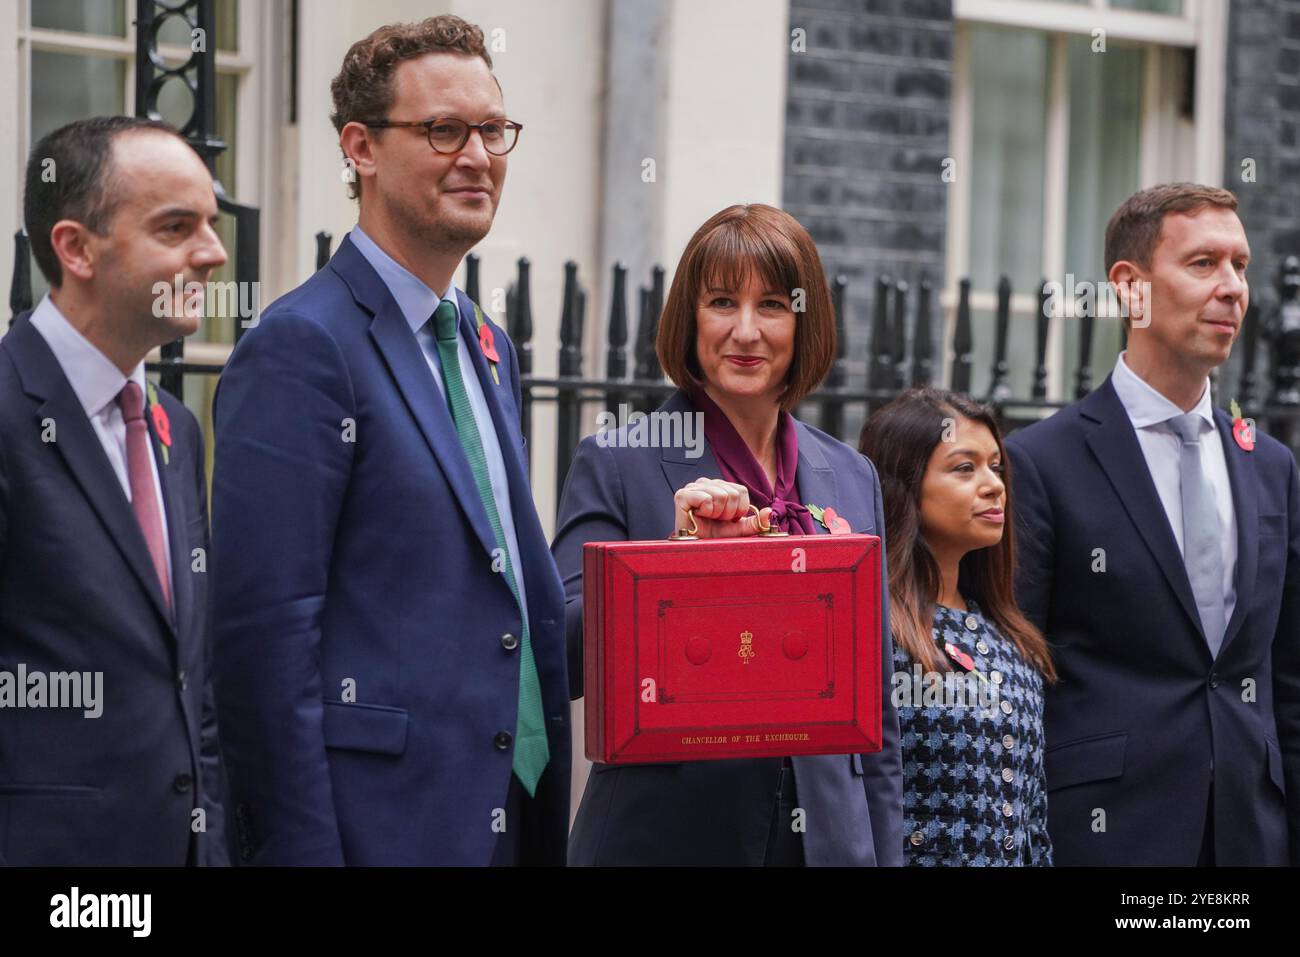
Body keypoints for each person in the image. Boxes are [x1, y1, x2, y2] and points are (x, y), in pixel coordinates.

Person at [210, 16, 569, 865]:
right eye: (443, 129)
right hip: (378, 829)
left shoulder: (486, 344)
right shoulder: (302, 345)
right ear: (361, 148)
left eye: (493, 129)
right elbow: (264, 642)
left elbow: (507, 601)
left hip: (510, 813)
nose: (478, 155)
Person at [552, 203, 903, 865]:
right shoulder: (619, 460)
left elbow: (877, 711)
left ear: (806, 323)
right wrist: (674, 556)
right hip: (664, 840)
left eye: (772, 303)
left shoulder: (851, 475)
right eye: (721, 302)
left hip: (825, 844)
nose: (746, 331)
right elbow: (559, 654)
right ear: (690, 319)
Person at [1007, 183, 1299, 866]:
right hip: (1105, 839)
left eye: (1240, 265)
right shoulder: (1039, 462)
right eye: (1203, 264)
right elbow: (1019, 684)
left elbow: (1286, 677)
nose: (1232, 288)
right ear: (1130, 288)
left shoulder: (1273, 466)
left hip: (1251, 838)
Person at [0, 116, 228, 865]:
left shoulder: (174, 431)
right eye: (176, 226)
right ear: (75, 248)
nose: (214, 253)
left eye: (211, 224)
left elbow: (189, 678)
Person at [861, 389, 1055, 866]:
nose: (994, 485)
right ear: (902, 485)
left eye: (996, 466)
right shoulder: (870, 629)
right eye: (964, 468)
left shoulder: (1011, 637)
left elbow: (1032, 821)